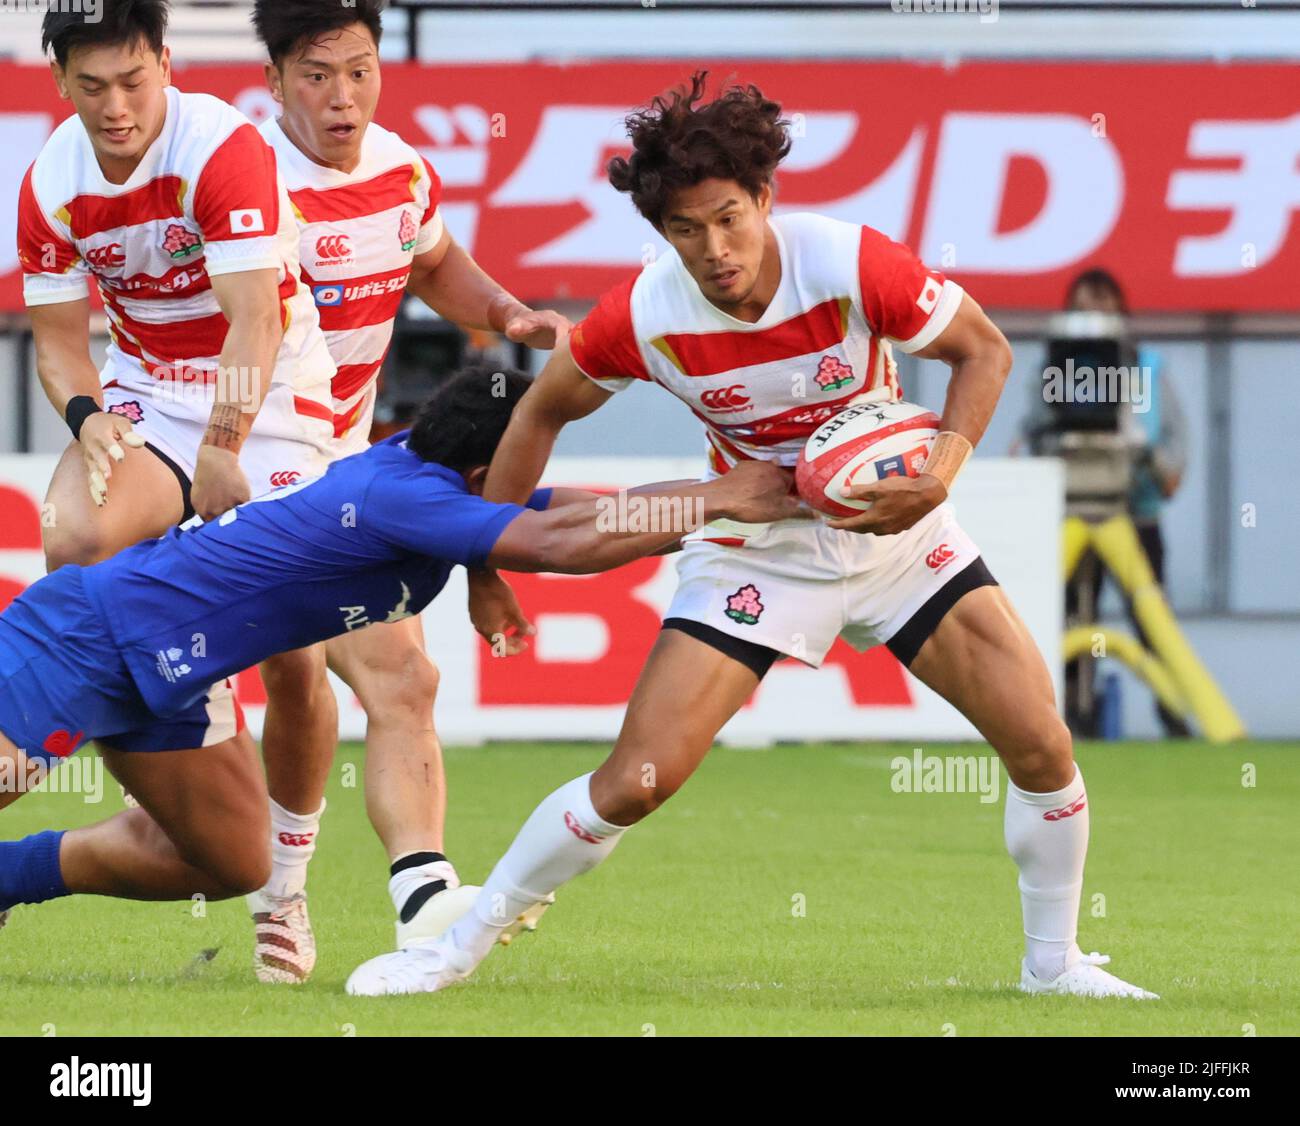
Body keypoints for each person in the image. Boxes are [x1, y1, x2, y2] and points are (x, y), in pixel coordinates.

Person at [345, 73, 1159, 1000]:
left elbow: (984, 349)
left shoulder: (847, 262)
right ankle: (450, 949)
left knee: (1044, 746)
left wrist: (937, 472)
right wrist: (489, 563)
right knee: (634, 783)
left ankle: (1054, 966)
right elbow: (536, 414)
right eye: (686, 231)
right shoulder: (648, 313)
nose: (715, 249)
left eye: (730, 218)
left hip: (900, 539)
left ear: (765, 197)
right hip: (760, 551)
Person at [0, 369, 799, 939]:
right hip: (85, 640)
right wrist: (722, 496)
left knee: (230, 861)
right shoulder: (402, 497)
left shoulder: (430, 469)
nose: (544, 473)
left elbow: (598, 512)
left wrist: (733, 508)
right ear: (487, 472)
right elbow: (561, 541)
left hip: (169, 684)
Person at [17, 0, 359, 967]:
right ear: (61, 83)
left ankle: (284, 893)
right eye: (92, 88)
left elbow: (253, 321)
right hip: (144, 398)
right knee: (77, 541)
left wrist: (224, 444)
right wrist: (91, 422)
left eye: (133, 81)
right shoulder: (50, 180)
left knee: (296, 650)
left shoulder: (222, 147)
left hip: (273, 400)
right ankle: (169, 749)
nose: (117, 106)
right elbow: (57, 347)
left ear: (165, 63)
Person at [242, 0, 571, 983]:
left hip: (346, 459)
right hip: (253, 458)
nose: (342, 97)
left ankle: (396, 899)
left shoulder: (400, 168)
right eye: (315, 74)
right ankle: (297, 893)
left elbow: (430, 261)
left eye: (359, 71)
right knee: (305, 678)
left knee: (397, 679)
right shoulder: (244, 180)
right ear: (273, 81)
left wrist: (505, 310)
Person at [1019, 267, 1190, 737]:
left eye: (1102, 307)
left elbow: (1173, 437)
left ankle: (1175, 713)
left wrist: (1153, 460)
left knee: (1152, 616)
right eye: (1082, 309)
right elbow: (1032, 429)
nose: (1093, 318)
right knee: (1065, 616)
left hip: (1134, 513)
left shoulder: (1147, 367)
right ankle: (1069, 715)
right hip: (1066, 513)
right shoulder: (1052, 369)